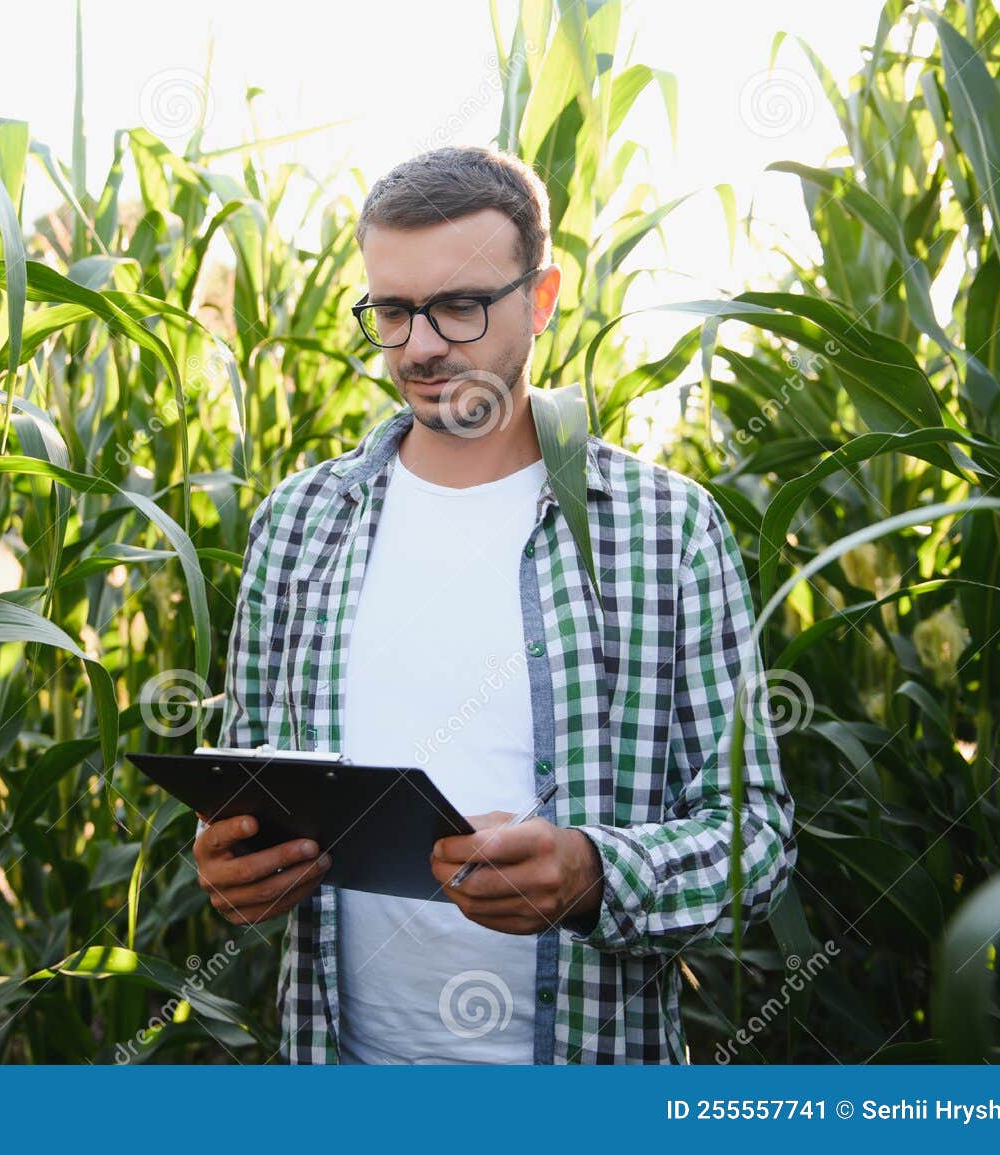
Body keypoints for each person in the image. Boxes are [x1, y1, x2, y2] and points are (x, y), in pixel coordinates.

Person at [193, 145, 795, 1064]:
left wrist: (594, 874)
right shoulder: (297, 525)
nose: (423, 345)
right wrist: (235, 864)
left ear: (542, 299)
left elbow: (757, 841)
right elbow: (254, 797)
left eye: (461, 307)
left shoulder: (667, 530)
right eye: (393, 311)